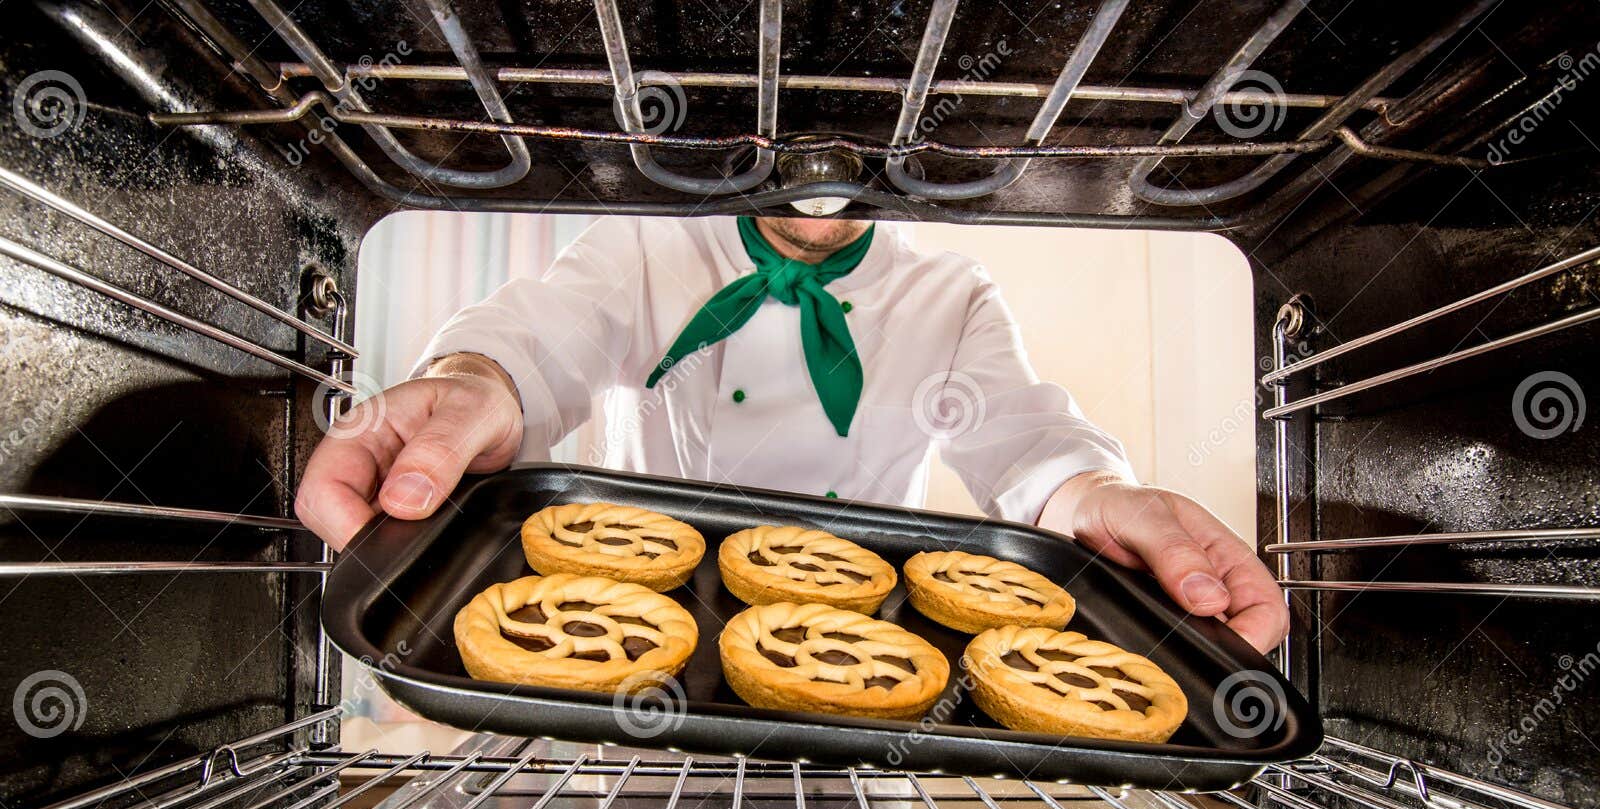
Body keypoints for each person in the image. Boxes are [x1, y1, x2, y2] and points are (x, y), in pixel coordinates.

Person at [295, 214, 1288, 653]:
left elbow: (1025, 447)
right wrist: (465, 382)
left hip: (860, 671)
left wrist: (1105, 496)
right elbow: (539, 336)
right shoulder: (645, 242)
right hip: (640, 652)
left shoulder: (947, 295)